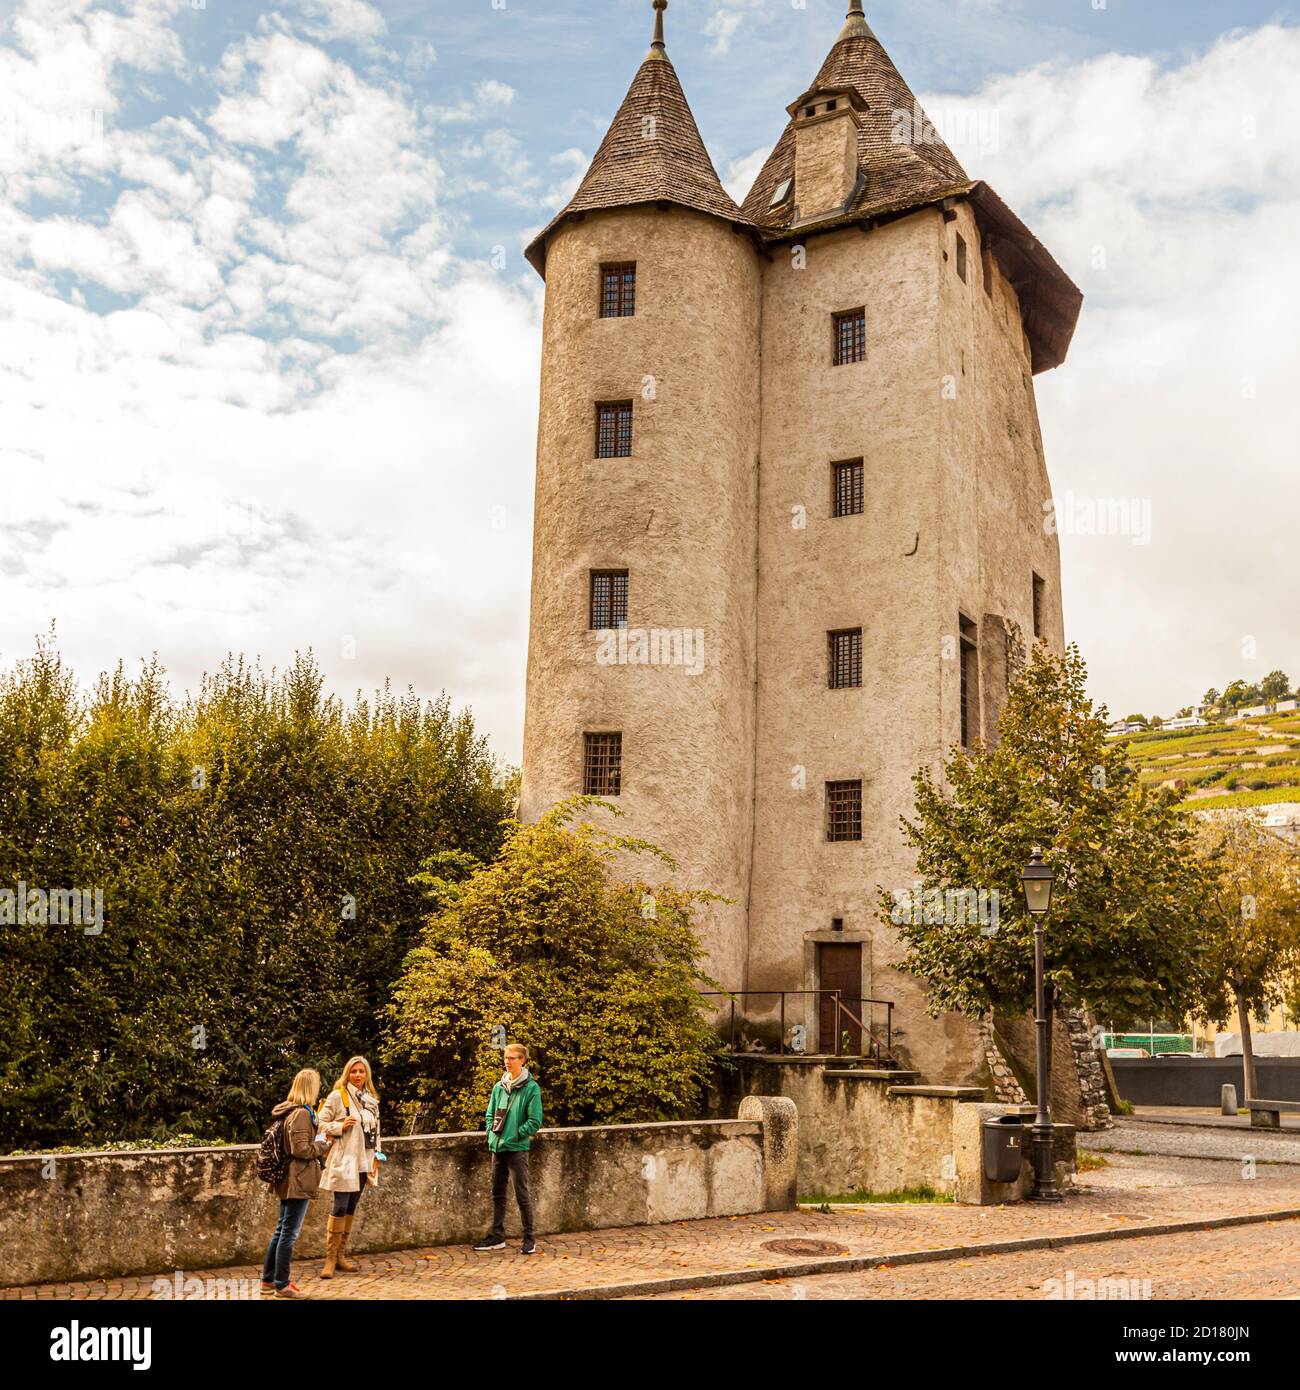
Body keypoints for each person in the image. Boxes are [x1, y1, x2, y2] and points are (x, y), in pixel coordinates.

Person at [473, 1043, 543, 1255]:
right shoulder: (499, 1087)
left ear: (522, 1060)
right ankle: (497, 1236)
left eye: (512, 1058)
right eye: (506, 1057)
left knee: (522, 1194)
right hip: (497, 1148)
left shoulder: (531, 1088)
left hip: (517, 1149)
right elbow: (489, 1115)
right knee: (498, 1194)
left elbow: (535, 1121)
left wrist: (514, 1134)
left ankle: (529, 1238)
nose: (507, 1061)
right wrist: (490, 1134)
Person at [261, 1068, 325, 1300]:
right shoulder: (301, 1114)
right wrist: (322, 1144)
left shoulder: (291, 1112)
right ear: (310, 1087)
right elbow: (302, 1150)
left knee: (281, 1230)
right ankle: (282, 1285)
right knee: (288, 1233)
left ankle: (268, 1281)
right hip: (297, 1179)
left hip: (291, 1178)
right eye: (316, 1085)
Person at [317, 1055, 381, 1277]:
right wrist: (339, 1126)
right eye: (353, 1071)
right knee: (340, 1206)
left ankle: (341, 1255)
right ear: (347, 1073)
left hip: (365, 1159)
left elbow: (376, 1132)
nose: (357, 1075)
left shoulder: (371, 1100)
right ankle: (330, 1258)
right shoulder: (338, 1096)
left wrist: (376, 1159)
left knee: (352, 1207)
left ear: (366, 1075)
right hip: (345, 1160)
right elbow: (319, 1123)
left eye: (361, 1072)